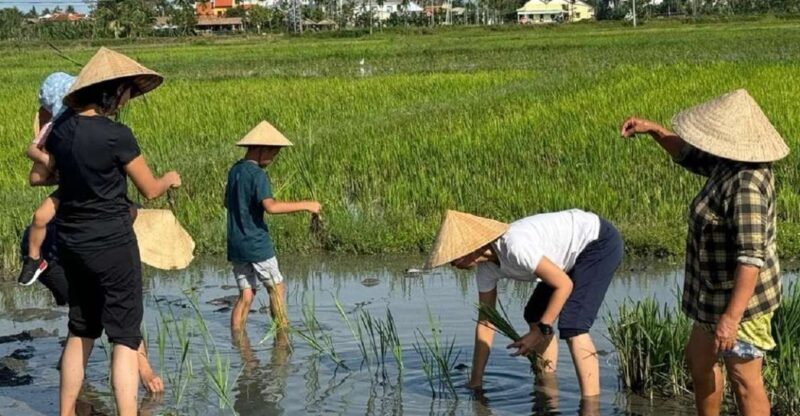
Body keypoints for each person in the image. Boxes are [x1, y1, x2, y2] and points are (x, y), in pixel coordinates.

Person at [620, 89, 785, 416]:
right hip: (712, 296)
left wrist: (731, 319)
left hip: (742, 304)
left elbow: (751, 258)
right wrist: (654, 130)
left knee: (745, 379)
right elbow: (689, 154)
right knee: (699, 361)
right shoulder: (729, 162)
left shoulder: (746, 185)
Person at [44, 47, 181, 416]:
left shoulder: (60, 130)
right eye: (127, 92)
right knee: (123, 336)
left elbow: (51, 172)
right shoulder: (117, 135)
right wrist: (171, 178)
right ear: (112, 92)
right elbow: (149, 189)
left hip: (71, 242)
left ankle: (66, 412)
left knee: (81, 330)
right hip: (113, 244)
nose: (128, 99)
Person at [425, 209, 623, 398]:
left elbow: (564, 285)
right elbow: (486, 323)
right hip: (567, 259)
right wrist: (475, 381)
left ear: (470, 247)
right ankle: (547, 382)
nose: (452, 264)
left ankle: (591, 406)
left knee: (574, 325)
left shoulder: (514, 247)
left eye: (453, 257)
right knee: (535, 314)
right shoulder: (486, 270)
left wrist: (539, 332)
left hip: (597, 242)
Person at [19, 218, 164, 394]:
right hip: (48, 254)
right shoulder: (113, 223)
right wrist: (145, 369)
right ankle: (77, 381)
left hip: (57, 246)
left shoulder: (118, 213)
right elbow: (122, 318)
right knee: (98, 309)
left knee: (88, 311)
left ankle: (67, 365)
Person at [225, 120, 321, 333]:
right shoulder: (258, 175)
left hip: (236, 244)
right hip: (256, 243)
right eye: (273, 153)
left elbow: (229, 204)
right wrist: (307, 205)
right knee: (276, 288)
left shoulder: (235, 171)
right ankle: (283, 335)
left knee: (246, 295)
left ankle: (238, 343)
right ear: (262, 149)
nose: (273, 158)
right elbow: (271, 206)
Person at [18, 72, 75, 286]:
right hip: (68, 187)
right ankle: (34, 259)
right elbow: (31, 150)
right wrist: (49, 161)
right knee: (40, 216)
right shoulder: (51, 129)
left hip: (85, 187)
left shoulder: (90, 124)